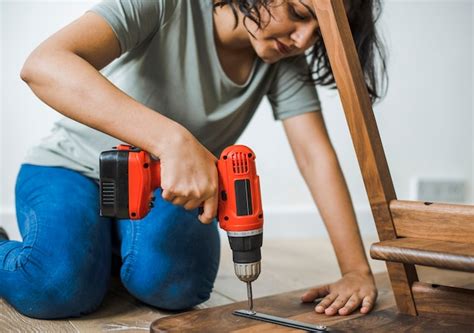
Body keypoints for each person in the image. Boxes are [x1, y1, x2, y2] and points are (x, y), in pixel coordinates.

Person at [0, 0, 387, 319]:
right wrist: (170, 140)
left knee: (177, 286)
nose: (303, 39)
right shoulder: (167, 5)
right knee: (55, 286)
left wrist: (355, 270)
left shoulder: (282, 61)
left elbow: (314, 157)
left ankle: (105, 256)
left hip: (165, 190)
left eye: (318, 32)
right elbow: (44, 65)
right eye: (301, 14)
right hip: (70, 169)